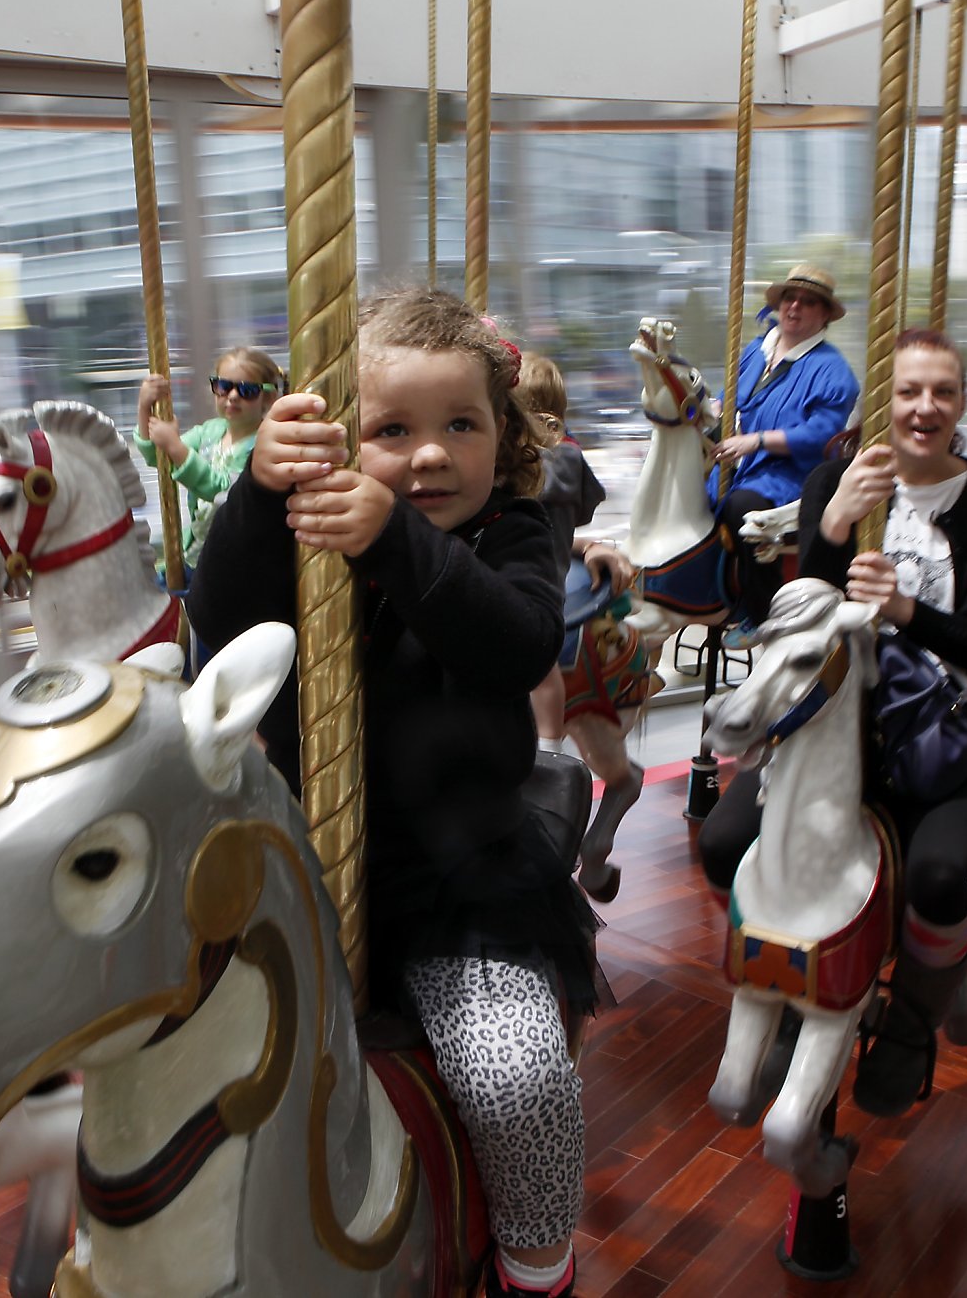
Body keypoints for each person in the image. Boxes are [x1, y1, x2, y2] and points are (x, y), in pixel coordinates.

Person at [187, 289, 596, 1298]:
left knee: (518, 1076)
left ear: (503, 436)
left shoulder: (512, 532)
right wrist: (257, 492)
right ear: (340, 439)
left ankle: (536, 1259)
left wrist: (391, 542)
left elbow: (515, 641)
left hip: (457, 884)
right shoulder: (307, 533)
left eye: (460, 425)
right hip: (297, 871)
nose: (429, 455)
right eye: (393, 431)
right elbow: (221, 620)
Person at [697, 328, 967, 1117]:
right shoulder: (835, 481)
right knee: (723, 844)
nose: (925, 407)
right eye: (909, 391)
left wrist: (906, 610)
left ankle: (912, 1019)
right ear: (886, 400)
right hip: (833, 725)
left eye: (942, 392)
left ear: (962, 404)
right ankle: (792, 981)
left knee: (940, 881)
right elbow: (807, 610)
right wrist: (836, 523)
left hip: (939, 729)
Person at [709, 264, 861, 646]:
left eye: (808, 302)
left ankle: (761, 612)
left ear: (824, 316)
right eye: (790, 298)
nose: (794, 307)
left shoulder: (833, 371)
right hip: (744, 463)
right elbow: (730, 400)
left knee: (742, 507)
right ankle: (704, 592)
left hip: (789, 474)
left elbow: (822, 433)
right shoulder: (754, 352)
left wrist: (757, 441)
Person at [512, 350, 631, 744]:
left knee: (537, 663)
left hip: (532, 584)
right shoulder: (569, 456)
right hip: (551, 570)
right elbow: (578, 514)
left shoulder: (527, 463)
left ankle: (549, 745)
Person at [134, 346, 285, 577]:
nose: (232, 396)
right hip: (196, 556)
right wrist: (145, 407)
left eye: (247, 390)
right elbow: (158, 456)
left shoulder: (262, 445)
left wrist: (175, 446)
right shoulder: (209, 432)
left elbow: (223, 491)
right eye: (224, 387)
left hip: (236, 563)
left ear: (269, 396)